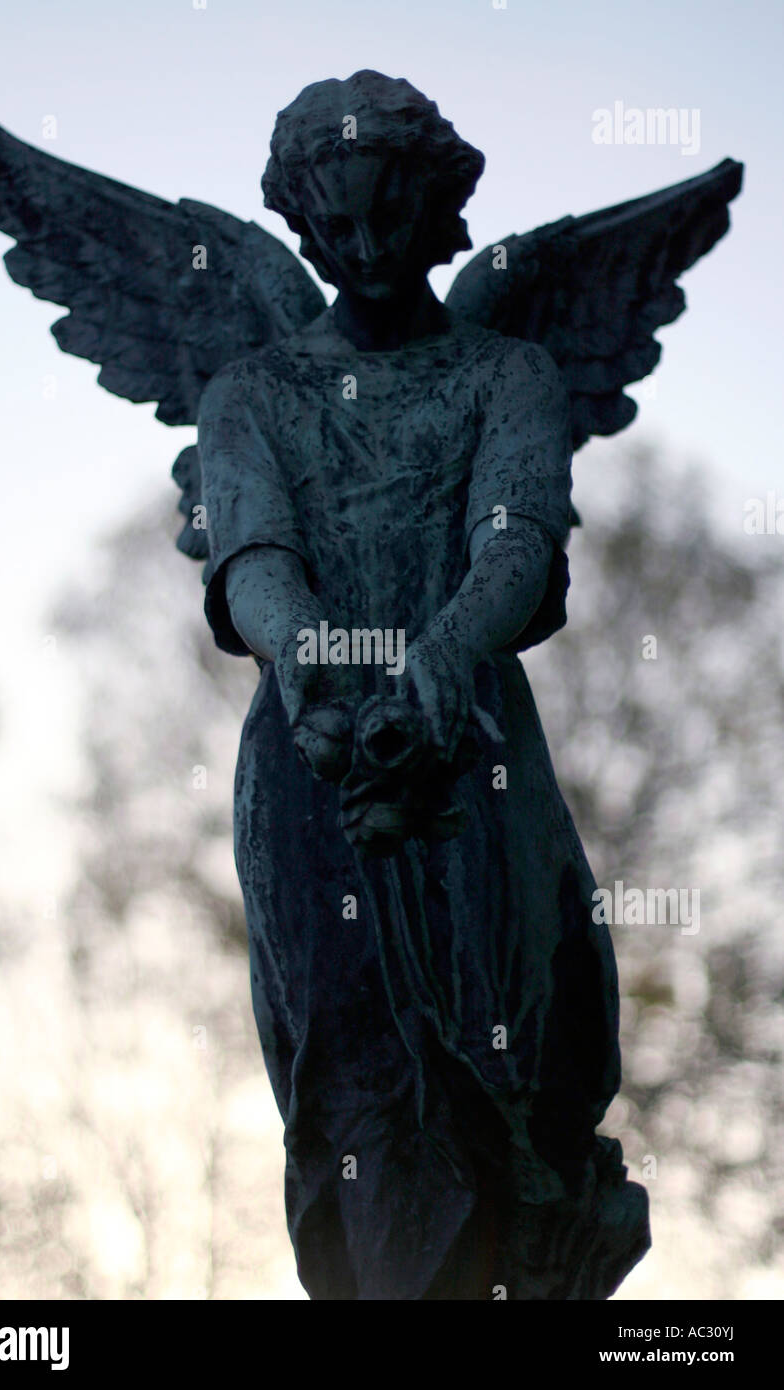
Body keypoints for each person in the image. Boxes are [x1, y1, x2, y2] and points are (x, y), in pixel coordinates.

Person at [196, 70, 649, 1299]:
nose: (358, 248)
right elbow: (253, 556)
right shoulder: (252, 391)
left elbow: (515, 540)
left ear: (438, 209)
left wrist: (441, 663)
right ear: (298, 223)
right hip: (311, 762)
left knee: (513, 1080)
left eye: (385, 219)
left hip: (475, 752)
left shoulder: (504, 370)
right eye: (330, 226)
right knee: (345, 1090)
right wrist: (307, 665)